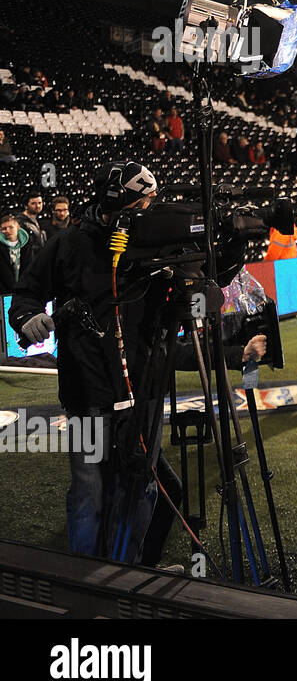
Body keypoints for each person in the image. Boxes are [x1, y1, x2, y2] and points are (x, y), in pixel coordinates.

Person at [8, 161, 172, 563]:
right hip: (86, 392)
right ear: (118, 204)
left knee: (140, 488)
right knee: (89, 492)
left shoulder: (158, 241)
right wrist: (27, 316)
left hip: (143, 393)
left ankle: (126, 574)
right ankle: (85, 582)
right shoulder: (69, 243)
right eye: (144, 202)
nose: (151, 210)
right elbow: (26, 292)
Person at [0, 214, 37, 293]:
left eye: (11, 227)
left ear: (18, 227)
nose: (7, 231)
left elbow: (29, 266)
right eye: (4, 229)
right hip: (4, 289)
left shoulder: (27, 244)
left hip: (24, 287)